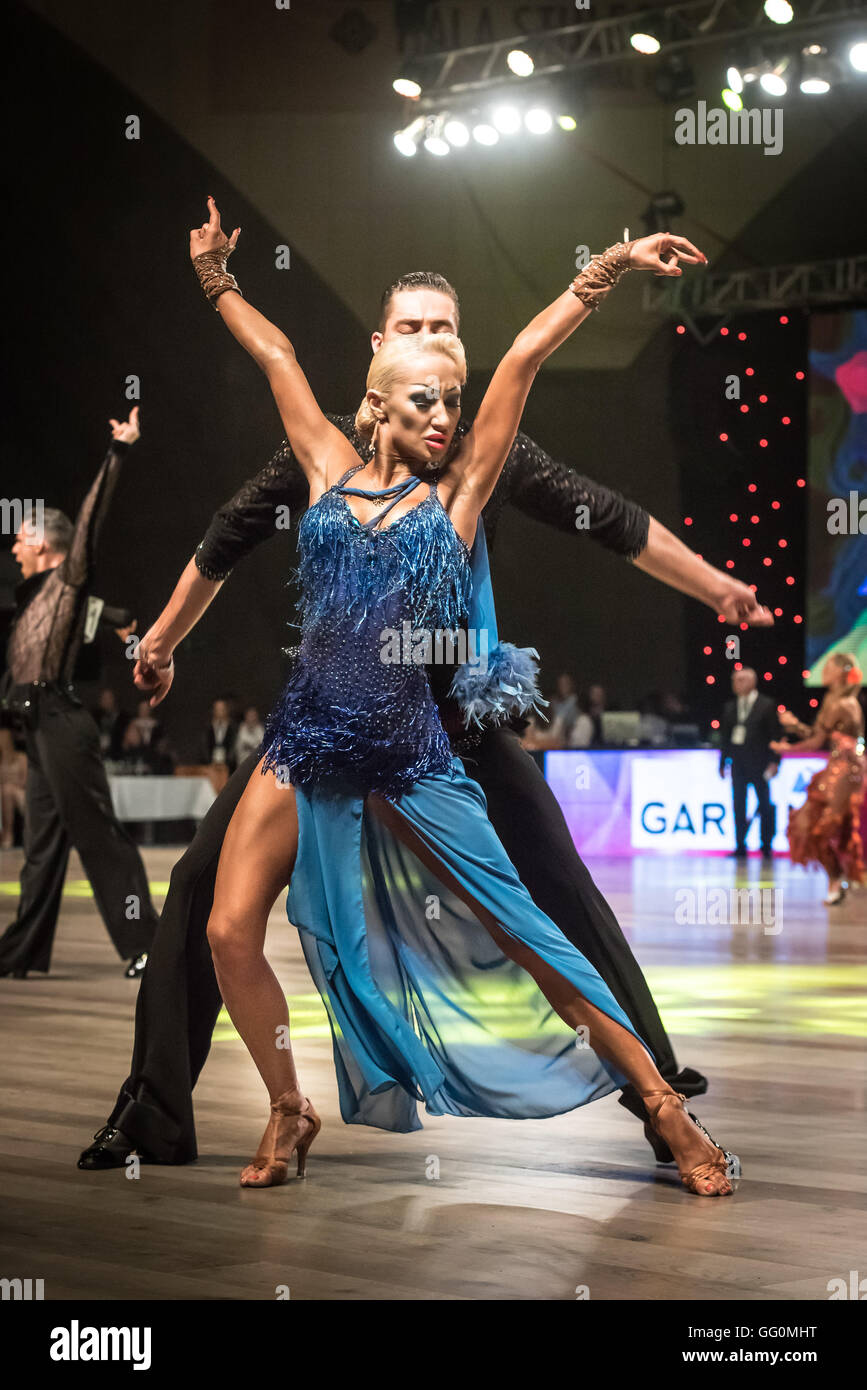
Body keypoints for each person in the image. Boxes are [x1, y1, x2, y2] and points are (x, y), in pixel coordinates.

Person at [79, 241, 773, 1177]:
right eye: (425, 393)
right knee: (224, 927)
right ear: (375, 394)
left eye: (454, 392)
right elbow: (276, 359)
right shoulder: (321, 462)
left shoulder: (463, 489)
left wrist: (602, 268)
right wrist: (212, 278)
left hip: (413, 746)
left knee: (528, 928)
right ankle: (288, 1109)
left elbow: (525, 359)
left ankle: (661, 1105)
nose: (446, 414)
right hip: (306, 741)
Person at [0, 409, 156, 978]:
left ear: (46, 544)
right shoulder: (38, 597)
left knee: (98, 837)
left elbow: (88, 523)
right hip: (36, 727)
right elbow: (98, 615)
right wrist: (118, 619)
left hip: (63, 722)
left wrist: (118, 451)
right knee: (41, 850)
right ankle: (21, 952)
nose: (15, 545)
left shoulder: (67, 580)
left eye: (21, 536)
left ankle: (148, 944)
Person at [771, 653, 865, 905]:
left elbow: (816, 740)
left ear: (840, 672)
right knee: (809, 826)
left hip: (848, 771)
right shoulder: (833, 700)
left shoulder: (844, 704)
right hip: (837, 768)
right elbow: (819, 735)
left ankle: (839, 878)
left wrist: (787, 749)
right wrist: (796, 727)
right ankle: (837, 878)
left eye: (829, 666)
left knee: (826, 827)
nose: (823, 670)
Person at [719, 667, 780, 862]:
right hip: (739, 763)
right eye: (735, 680)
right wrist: (723, 762)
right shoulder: (730, 707)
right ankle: (740, 844)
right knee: (739, 804)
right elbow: (726, 738)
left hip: (760, 763)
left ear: (752, 682)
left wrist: (774, 761)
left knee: (764, 804)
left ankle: (766, 845)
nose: (737, 684)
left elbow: (775, 735)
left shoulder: (767, 705)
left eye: (742, 680)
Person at [93, 687, 130, 765]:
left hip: (118, 757)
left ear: (114, 700)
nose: (106, 701)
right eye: (103, 699)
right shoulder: (95, 717)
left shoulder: (123, 718)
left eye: (108, 698)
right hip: (99, 758)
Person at [201, 698, 238, 774]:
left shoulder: (232, 727)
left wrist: (227, 762)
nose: (219, 712)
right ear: (213, 711)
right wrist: (209, 762)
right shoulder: (208, 727)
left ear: (226, 711)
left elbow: (234, 746)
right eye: (217, 709)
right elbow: (204, 746)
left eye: (222, 709)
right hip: (210, 766)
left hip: (228, 767)